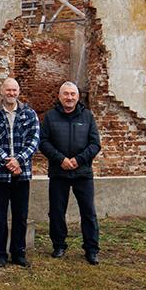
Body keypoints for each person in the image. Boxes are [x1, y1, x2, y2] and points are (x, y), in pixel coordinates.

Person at [0, 77, 40, 267]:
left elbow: (34, 140)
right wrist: (8, 161)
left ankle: (18, 253)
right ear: (1, 91)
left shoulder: (29, 114)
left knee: (20, 215)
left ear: (19, 91)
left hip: (22, 174)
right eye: (8, 90)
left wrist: (18, 160)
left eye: (15, 90)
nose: (11, 93)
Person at [39, 81, 101, 264]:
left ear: (78, 96)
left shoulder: (88, 116)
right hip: (59, 172)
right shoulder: (50, 117)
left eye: (73, 94)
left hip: (83, 173)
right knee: (57, 211)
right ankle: (59, 245)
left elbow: (95, 144)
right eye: (65, 94)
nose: (69, 97)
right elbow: (43, 142)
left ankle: (91, 249)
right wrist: (61, 159)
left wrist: (78, 160)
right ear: (59, 96)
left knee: (88, 212)